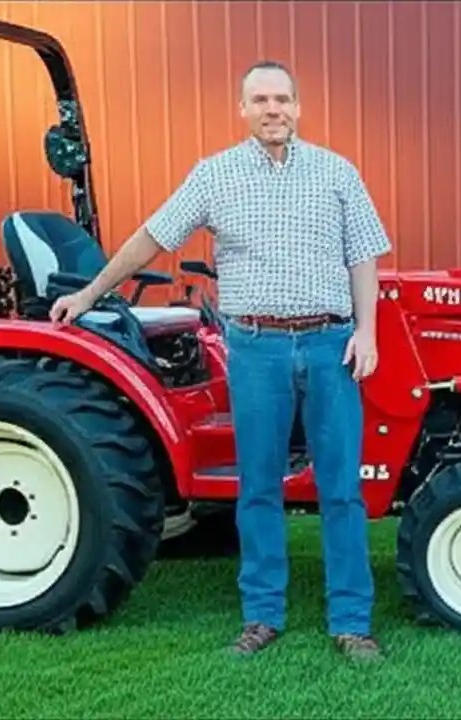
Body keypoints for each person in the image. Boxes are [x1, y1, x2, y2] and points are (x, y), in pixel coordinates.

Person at [49, 60, 392, 662]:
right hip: (255, 348)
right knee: (258, 486)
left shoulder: (337, 173)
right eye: (260, 99)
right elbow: (151, 238)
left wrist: (367, 331)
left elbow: (364, 257)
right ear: (243, 109)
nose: (273, 109)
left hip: (328, 344)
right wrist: (89, 293)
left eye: (283, 98)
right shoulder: (215, 176)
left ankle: (351, 622)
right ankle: (262, 616)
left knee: (340, 489)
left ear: (298, 106)